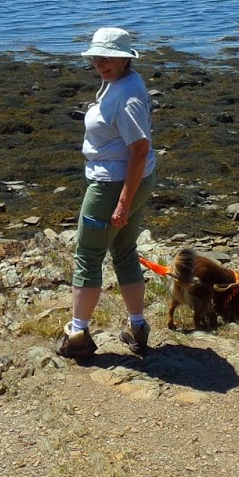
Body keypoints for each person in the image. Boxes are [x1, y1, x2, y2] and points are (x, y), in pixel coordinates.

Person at [56, 27, 158, 358]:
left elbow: (139, 149)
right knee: (125, 250)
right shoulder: (126, 82)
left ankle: (77, 334)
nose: (100, 63)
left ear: (124, 59)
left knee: (88, 256)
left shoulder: (125, 96)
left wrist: (122, 204)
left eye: (108, 58)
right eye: (96, 57)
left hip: (112, 185)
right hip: (135, 179)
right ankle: (138, 326)